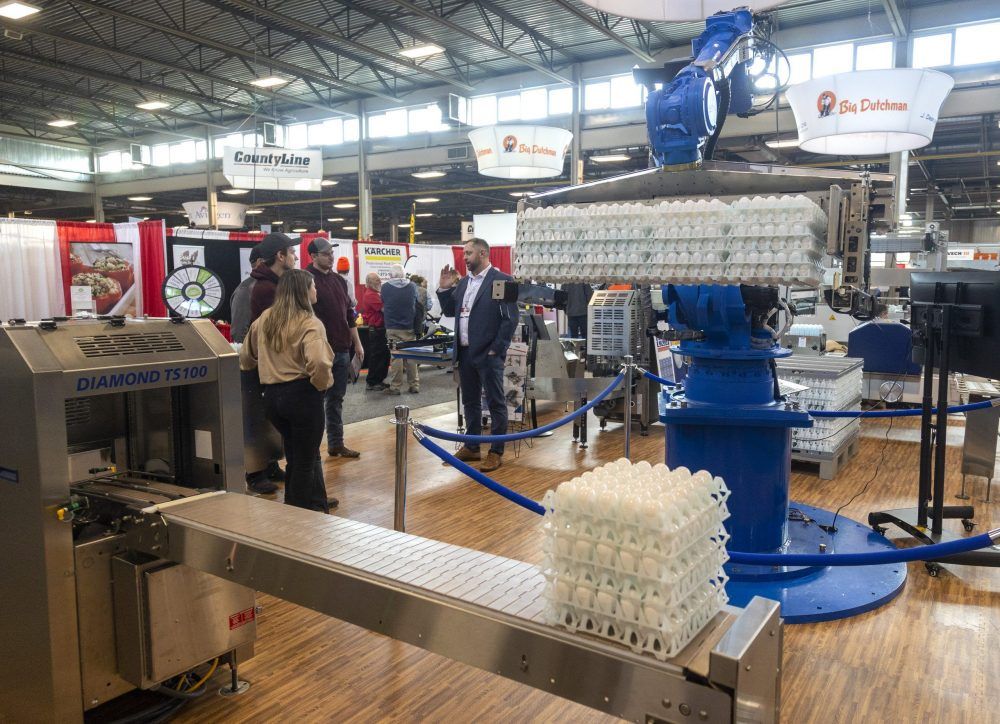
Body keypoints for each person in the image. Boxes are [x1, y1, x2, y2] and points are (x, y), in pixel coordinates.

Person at [240, 269, 334, 513]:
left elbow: (245, 358)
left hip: (272, 398)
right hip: (303, 396)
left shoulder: (265, 318)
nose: (317, 290)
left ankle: (315, 503)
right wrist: (320, 387)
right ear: (303, 292)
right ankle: (297, 512)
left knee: (298, 454)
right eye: (313, 286)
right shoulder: (309, 322)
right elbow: (320, 363)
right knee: (303, 460)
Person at [437, 238, 517, 473]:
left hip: (488, 354)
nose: (464, 257)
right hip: (465, 352)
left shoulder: (503, 280)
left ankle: (495, 452)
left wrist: (497, 349)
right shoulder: (463, 284)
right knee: (470, 402)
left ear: (483, 253)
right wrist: (444, 288)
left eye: (469, 253)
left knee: (495, 402)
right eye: (464, 253)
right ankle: (472, 447)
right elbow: (451, 311)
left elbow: (511, 319)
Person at [230, 244, 281, 495]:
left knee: (269, 419)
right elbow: (240, 333)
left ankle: (270, 463)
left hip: (272, 366)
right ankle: (254, 473)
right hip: (251, 366)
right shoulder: (246, 289)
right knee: (252, 420)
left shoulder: (276, 286)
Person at [306, 238, 364, 459]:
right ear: (313, 256)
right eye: (325, 253)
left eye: (331, 252)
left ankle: (336, 443)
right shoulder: (306, 279)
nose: (330, 256)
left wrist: (357, 343)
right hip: (318, 350)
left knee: (336, 399)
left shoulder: (339, 281)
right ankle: (311, 449)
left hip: (341, 348)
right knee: (314, 400)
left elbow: (349, 314)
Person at [381, 264, 419, 395]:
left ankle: (396, 387)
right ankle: (414, 385)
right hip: (410, 326)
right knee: (411, 357)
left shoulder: (385, 287)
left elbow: (384, 302)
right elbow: (416, 301)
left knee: (396, 357)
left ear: (391, 276)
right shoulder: (412, 286)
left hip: (392, 327)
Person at [250, 232, 299, 322]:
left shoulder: (275, 285)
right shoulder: (266, 289)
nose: (296, 258)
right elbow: (283, 328)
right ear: (281, 256)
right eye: (292, 252)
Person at [358, 273, 389, 391]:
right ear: (369, 282)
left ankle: (379, 380)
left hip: (380, 329)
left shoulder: (375, 293)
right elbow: (385, 309)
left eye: (379, 279)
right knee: (377, 356)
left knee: (383, 356)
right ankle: (372, 382)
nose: (379, 281)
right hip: (377, 330)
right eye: (376, 280)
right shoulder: (372, 295)